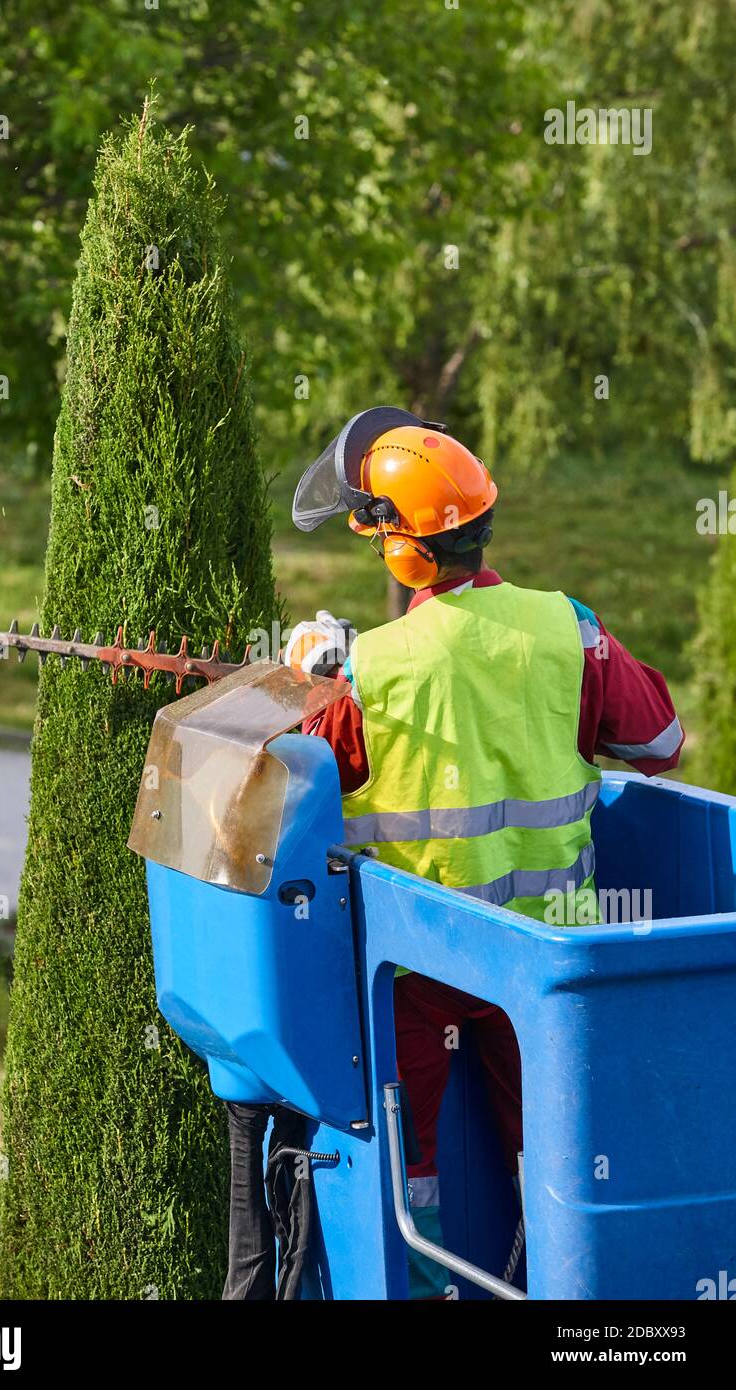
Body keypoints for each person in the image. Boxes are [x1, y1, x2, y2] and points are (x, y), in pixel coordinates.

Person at [285, 406, 684, 1298]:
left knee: (406, 1166)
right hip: (554, 958)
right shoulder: (566, 627)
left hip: (420, 966)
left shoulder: (377, 668)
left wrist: (317, 676)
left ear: (403, 551)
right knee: (557, 1159)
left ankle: (426, 1287)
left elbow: (308, 773)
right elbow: (662, 744)